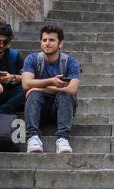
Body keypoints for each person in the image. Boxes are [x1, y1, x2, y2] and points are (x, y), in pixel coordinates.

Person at [22, 26, 81, 154]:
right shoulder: (32, 59)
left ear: (60, 43)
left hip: (61, 111)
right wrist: (51, 81)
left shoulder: (70, 62)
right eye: (44, 40)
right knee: (34, 95)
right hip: (39, 111)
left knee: (65, 95)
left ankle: (62, 139)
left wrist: (38, 87)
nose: (47, 43)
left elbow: (72, 89)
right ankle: (33, 137)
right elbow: (26, 84)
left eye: (51, 40)